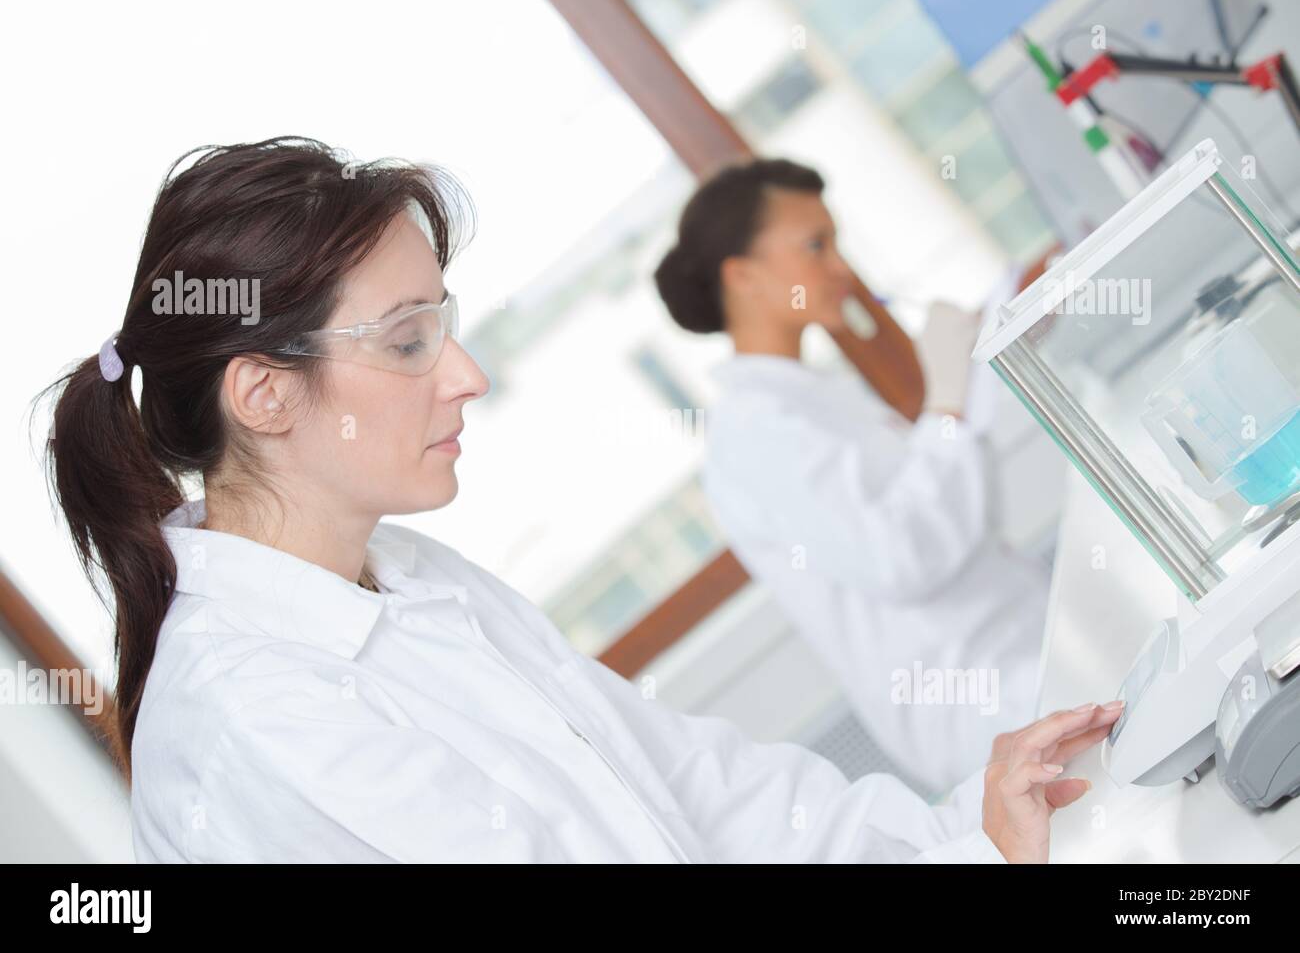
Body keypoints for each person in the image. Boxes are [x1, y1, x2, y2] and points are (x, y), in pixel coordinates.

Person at [40, 138, 1117, 863]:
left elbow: (700, 785)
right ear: (265, 393)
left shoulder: (418, 584)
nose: (467, 375)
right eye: (409, 340)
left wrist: (964, 839)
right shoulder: (255, 721)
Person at [654, 158, 1052, 793]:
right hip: (990, 711)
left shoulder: (814, 397)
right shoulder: (757, 433)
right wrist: (946, 403)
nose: (842, 267)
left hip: (1025, 663)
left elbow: (948, 516)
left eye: (836, 242)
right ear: (745, 276)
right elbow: (901, 557)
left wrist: (969, 382)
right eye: (816, 246)